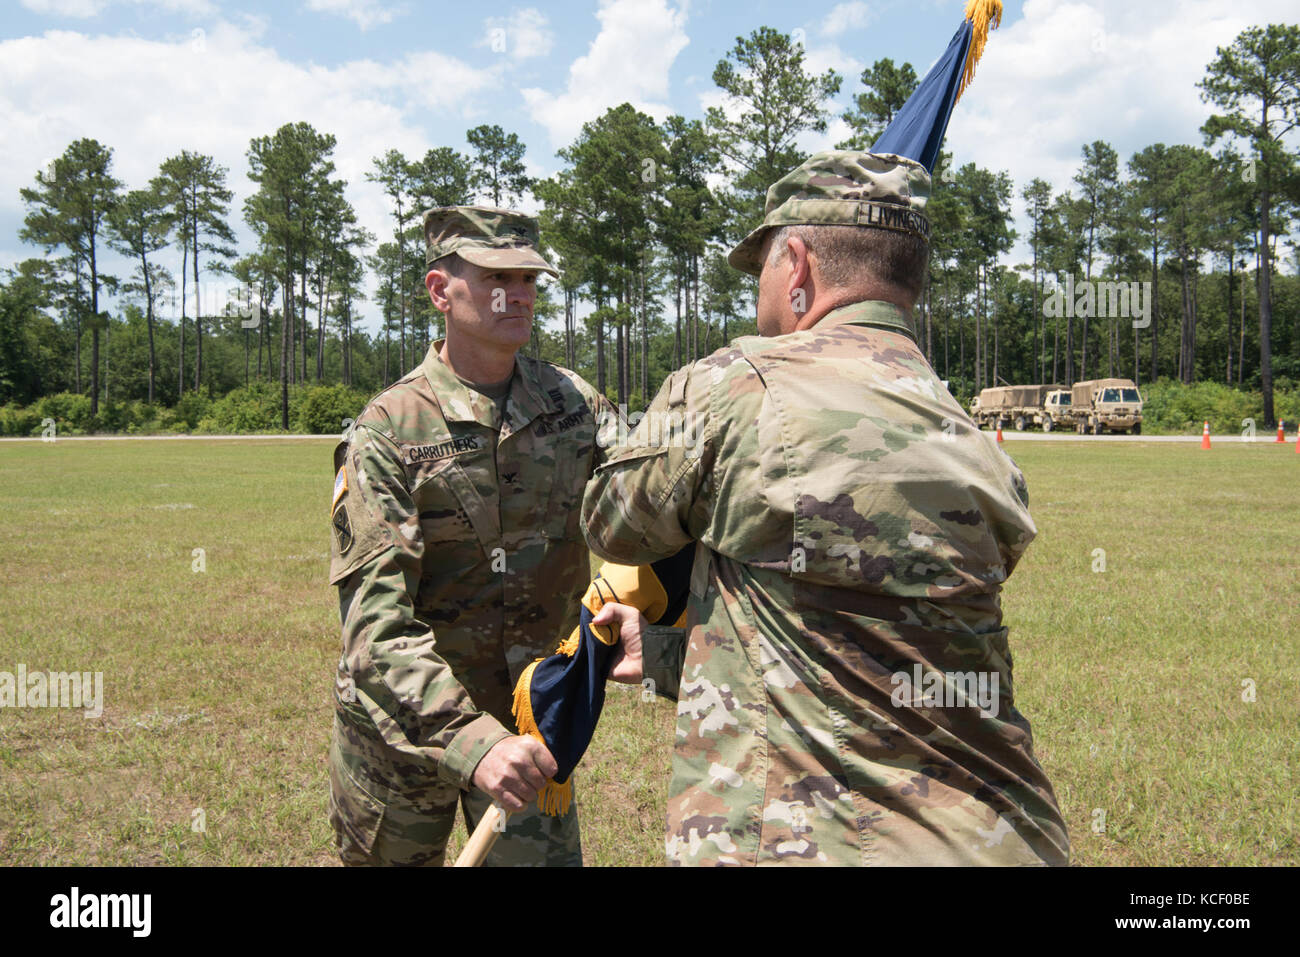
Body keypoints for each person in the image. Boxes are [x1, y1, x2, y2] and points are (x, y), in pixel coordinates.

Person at [582, 150, 1072, 865]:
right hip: (1007, 840)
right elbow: (858, 650)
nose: (759, 297)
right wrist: (660, 653)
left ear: (799, 266)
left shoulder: (736, 385)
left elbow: (612, 523)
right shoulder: (972, 441)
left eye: (762, 274)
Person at [327, 206, 617, 866]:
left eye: (528, 279)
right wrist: (471, 740)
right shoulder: (387, 431)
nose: (518, 294)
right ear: (439, 291)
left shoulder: (577, 406)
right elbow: (375, 625)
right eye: (496, 278)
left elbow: (653, 505)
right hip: (406, 733)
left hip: (529, 729)